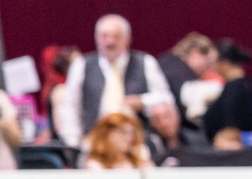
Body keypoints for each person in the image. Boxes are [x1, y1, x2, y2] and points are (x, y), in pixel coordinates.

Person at [56, 15, 172, 149]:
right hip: (95, 144)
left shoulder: (145, 62)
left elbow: (166, 98)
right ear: (96, 38)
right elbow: (70, 106)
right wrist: (74, 143)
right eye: (104, 36)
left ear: (128, 39)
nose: (110, 42)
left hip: (138, 143)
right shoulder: (82, 65)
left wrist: (142, 101)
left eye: (116, 36)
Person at [201, 40, 252, 142]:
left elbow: (232, 131)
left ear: (224, 64)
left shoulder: (234, 88)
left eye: (213, 63)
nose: (211, 68)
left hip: (230, 149)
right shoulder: (244, 85)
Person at [80, 111, 151, 169]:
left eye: (132, 133)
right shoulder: (94, 165)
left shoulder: (139, 163)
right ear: (107, 134)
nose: (130, 138)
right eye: (124, 132)